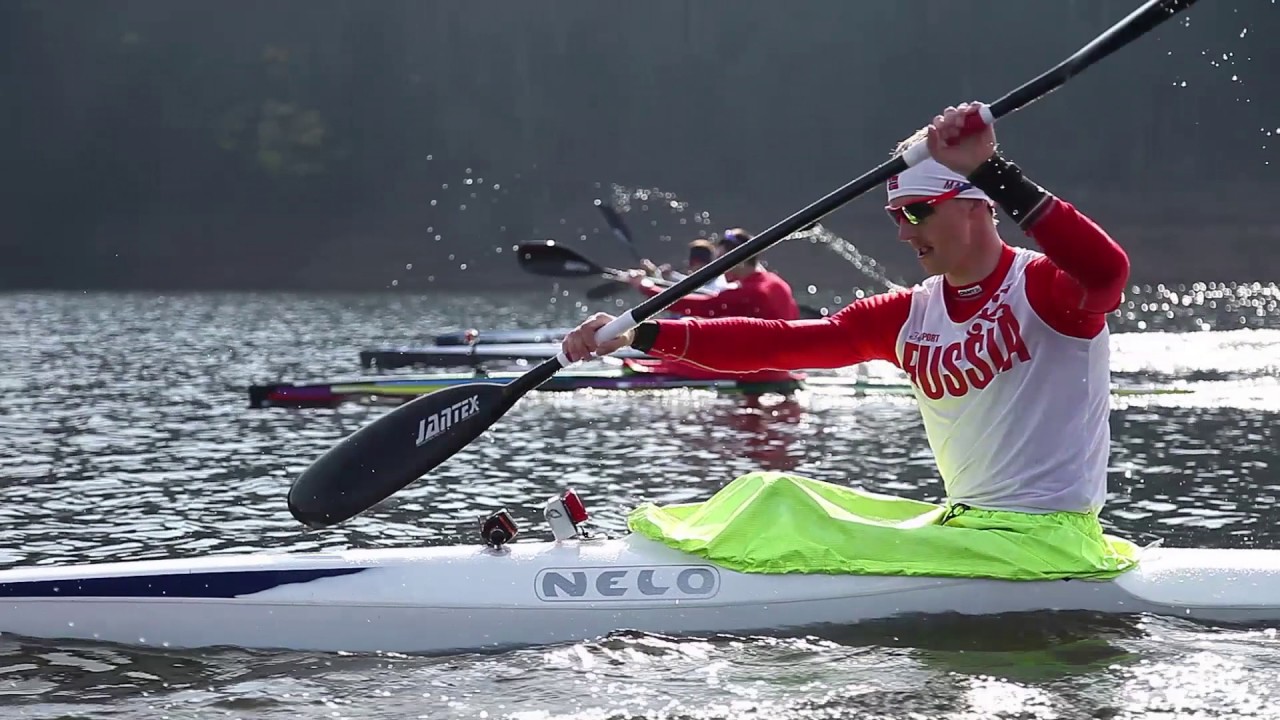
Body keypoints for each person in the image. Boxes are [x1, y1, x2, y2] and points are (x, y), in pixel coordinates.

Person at [559, 102, 1139, 583]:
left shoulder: (1044, 289)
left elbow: (1107, 272)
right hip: (969, 532)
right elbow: (778, 345)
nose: (902, 230)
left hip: (1052, 543)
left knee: (778, 507)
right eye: (896, 214)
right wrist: (643, 333)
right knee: (767, 487)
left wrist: (992, 168)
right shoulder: (909, 314)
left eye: (916, 211)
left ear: (974, 206)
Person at [642, 239, 732, 294]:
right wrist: (667, 275)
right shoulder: (706, 279)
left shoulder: (719, 286)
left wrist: (657, 275)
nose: (689, 267)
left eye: (693, 263)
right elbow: (689, 283)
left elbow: (693, 289)